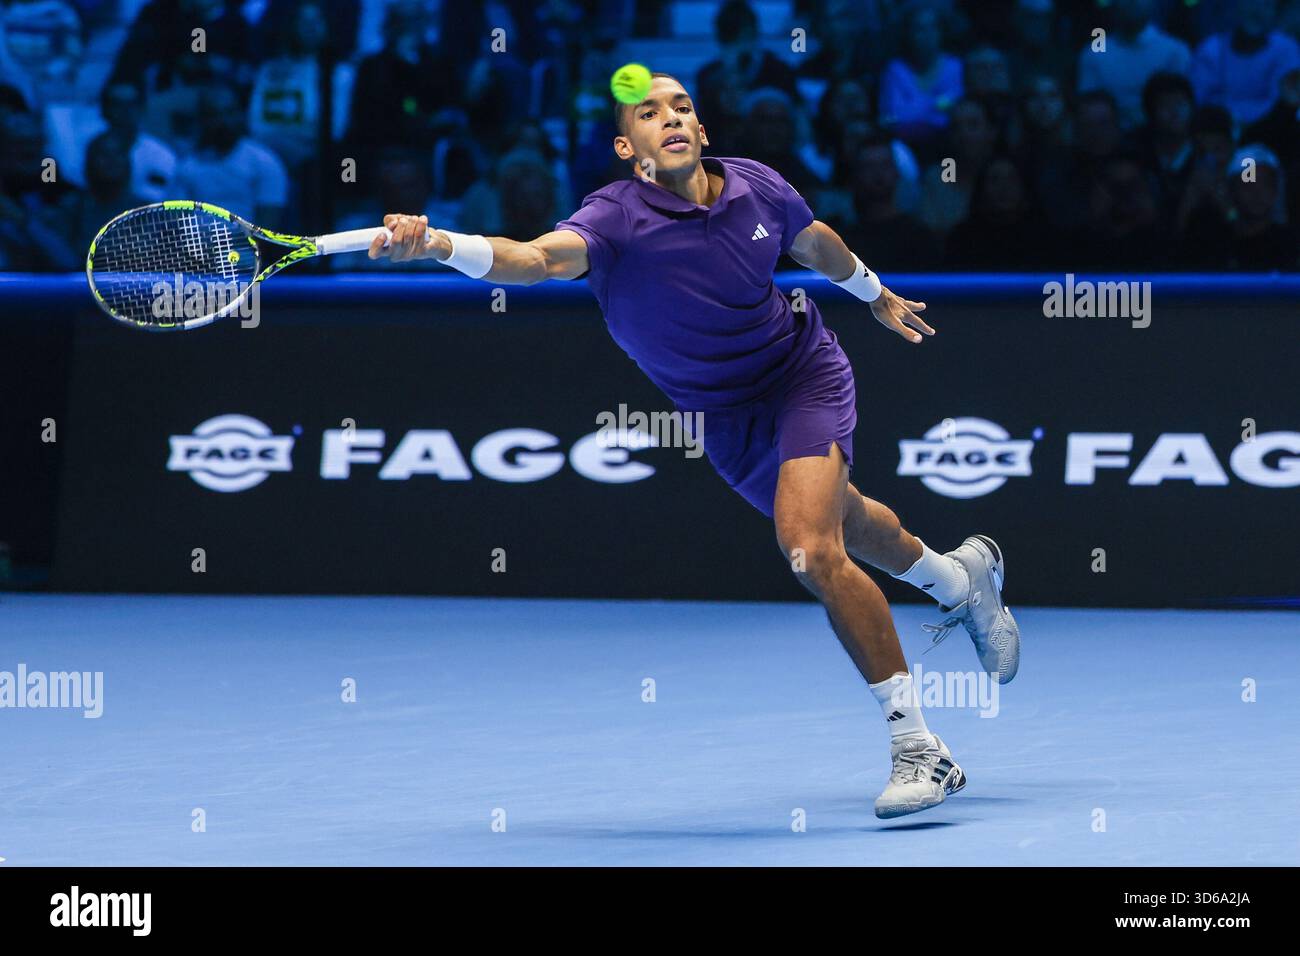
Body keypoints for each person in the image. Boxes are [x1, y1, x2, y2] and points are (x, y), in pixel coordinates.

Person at [368, 73, 1021, 819]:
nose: (670, 118)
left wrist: (875, 294)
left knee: (808, 546)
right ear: (627, 147)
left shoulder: (758, 189)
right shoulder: (611, 221)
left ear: (702, 131)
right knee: (851, 526)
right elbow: (535, 260)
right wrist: (440, 244)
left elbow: (816, 246)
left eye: (682, 108)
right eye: (648, 113)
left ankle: (920, 750)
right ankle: (961, 582)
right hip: (722, 418)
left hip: (800, 373)